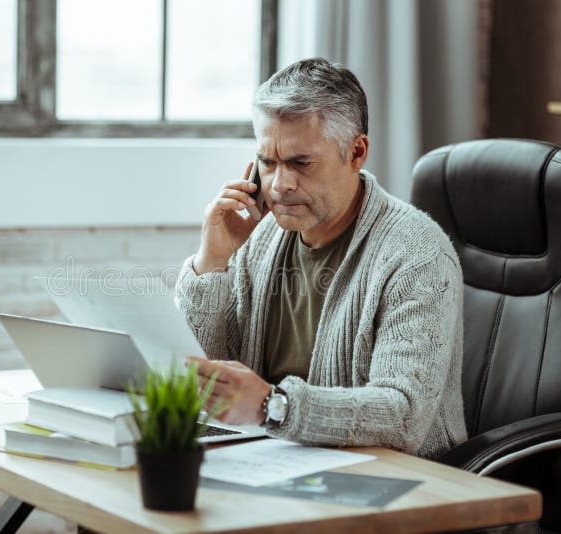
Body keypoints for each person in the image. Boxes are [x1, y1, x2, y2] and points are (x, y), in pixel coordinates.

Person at [176, 57, 467, 458]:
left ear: (356, 152)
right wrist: (212, 263)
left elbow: (403, 416)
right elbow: (211, 380)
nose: (279, 185)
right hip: (277, 458)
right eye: (267, 162)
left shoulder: (418, 254)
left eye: (301, 163)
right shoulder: (259, 236)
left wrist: (271, 406)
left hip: (396, 480)